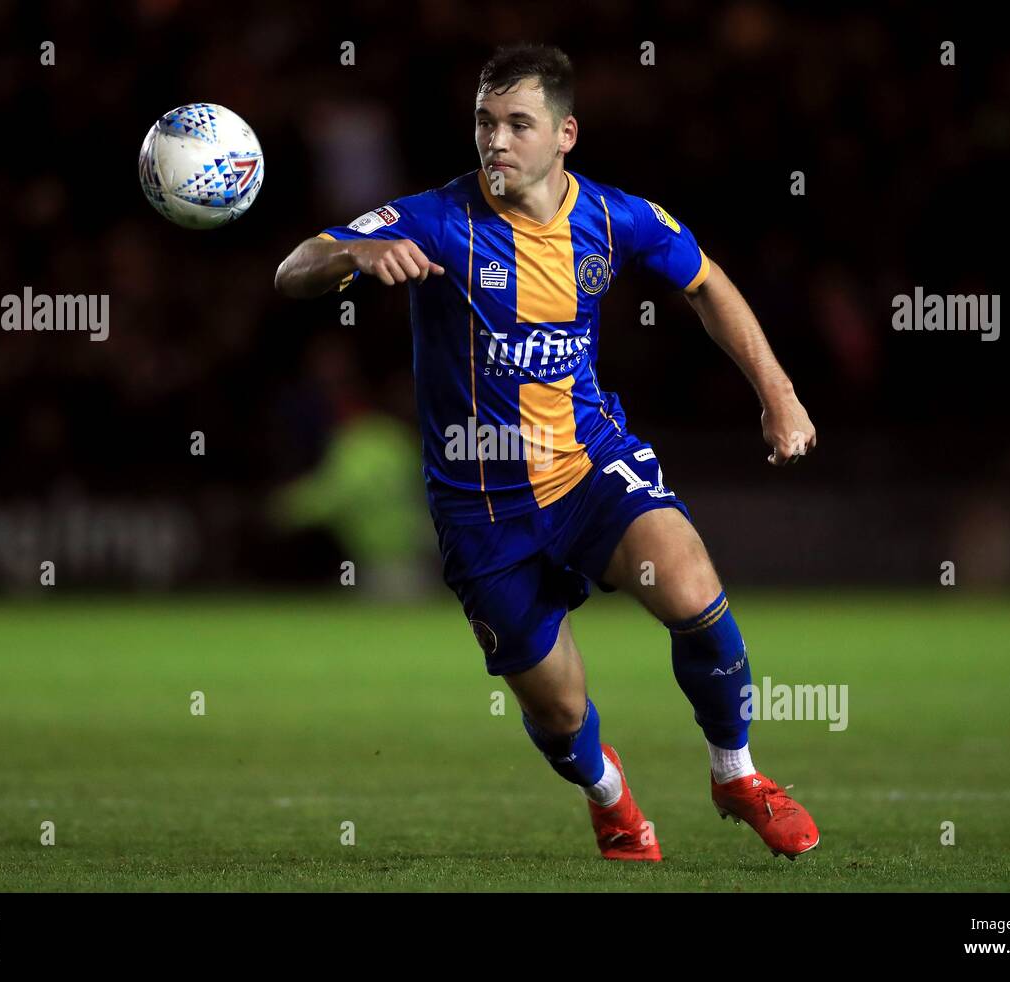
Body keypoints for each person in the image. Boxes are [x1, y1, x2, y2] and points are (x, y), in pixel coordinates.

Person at [275, 42, 819, 861]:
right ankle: (610, 796)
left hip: (588, 467)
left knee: (694, 591)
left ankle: (737, 774)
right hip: (479, 506)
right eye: (485, 122)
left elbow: (707, 283)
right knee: (560, 710)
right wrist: (354, 254)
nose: (496, 141)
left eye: (518, 124)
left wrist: (779, 396)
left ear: (566, 134)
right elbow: (294, 269)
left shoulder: (614, 218)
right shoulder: (436, 217)